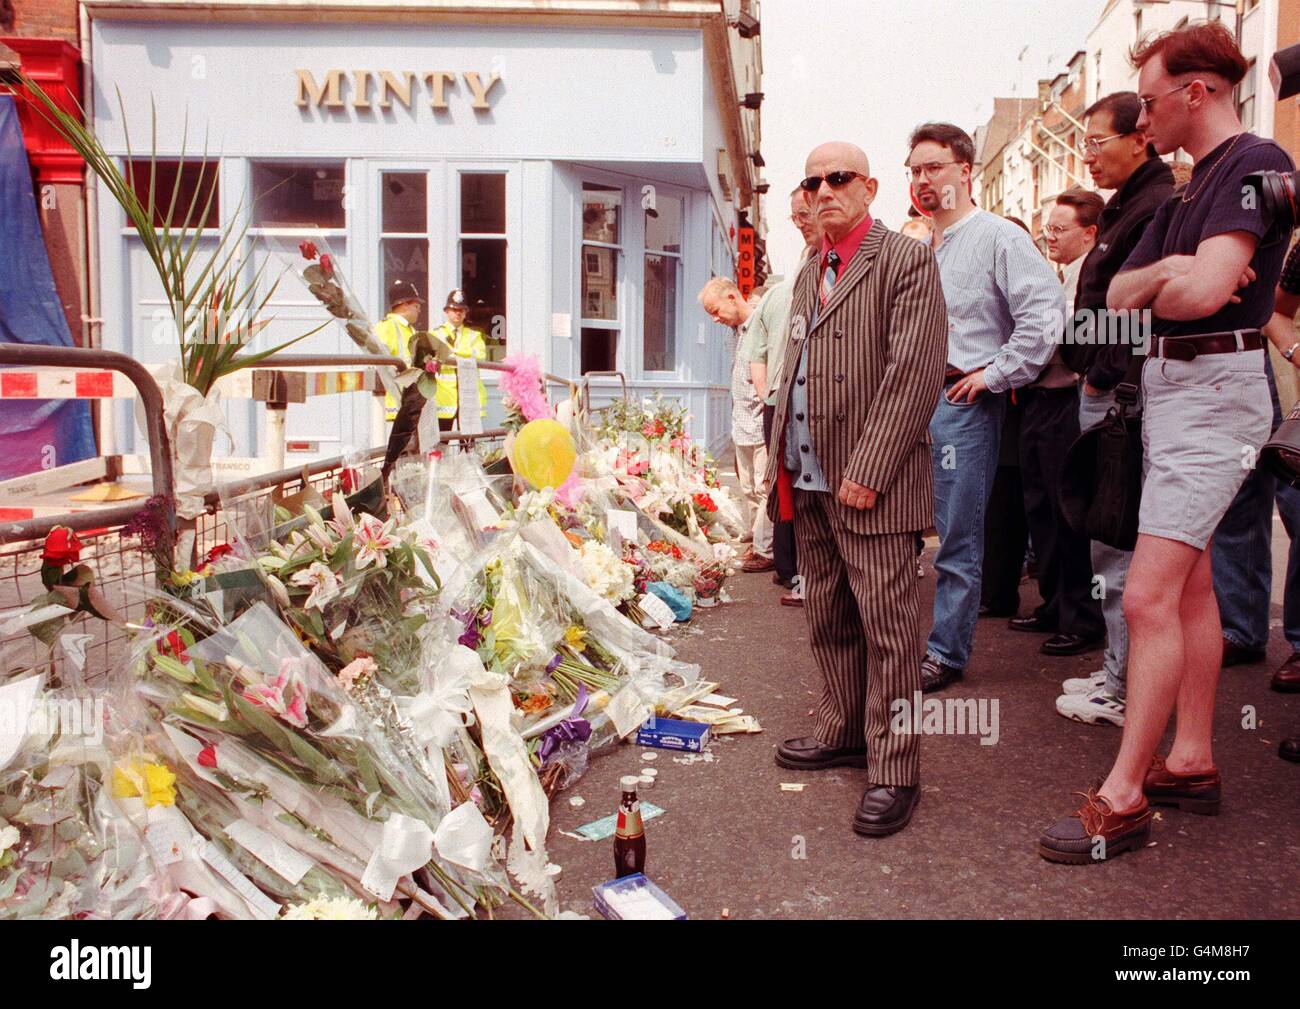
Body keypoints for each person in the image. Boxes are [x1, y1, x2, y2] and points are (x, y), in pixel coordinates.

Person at [1039, 22, 1294, 863]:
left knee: (1147, 596)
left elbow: (1204, 294)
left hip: (1214, 386)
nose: (1141, 120)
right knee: (1188, 590)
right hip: (1179, 387)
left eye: (1148, 103)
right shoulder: (1189, 191)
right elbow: (1121, 293)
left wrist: (1177, 283)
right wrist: (1166, 278)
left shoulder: (1255, 163)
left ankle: (1124, 794)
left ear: (1197, 91)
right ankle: (1190, 757)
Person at [767, 141, 947, 838]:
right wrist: (781, 459)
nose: (823, 191)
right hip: (811, 476)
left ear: (869, 188)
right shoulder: (812, 264)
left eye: (838, 178)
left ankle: (896, 768)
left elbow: (915, 372)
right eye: (812, 180)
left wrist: (869, 470)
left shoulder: (904, 259)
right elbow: (795, 364)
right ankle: (843, 728)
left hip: (870, 480)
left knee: (889, 631)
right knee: (829, 616)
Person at [907, 122, 1062, 694]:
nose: (922, 179)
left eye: (934, 167)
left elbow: (1044, 317)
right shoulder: (918, 247)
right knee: (900, 529)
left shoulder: (999, 237)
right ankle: (900, 644)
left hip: (959, 404)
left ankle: (945, 653)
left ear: (965, 171)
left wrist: (992, 375)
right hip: (907, 403)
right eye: (914, 170)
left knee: (957, 536)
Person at [1055, 91, 1175, 727]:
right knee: (1112, 541)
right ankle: (1119, 671)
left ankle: (1123, 686)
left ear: (1139, 138)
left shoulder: (1152, 204)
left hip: (1119, 395)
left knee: (1117, 539)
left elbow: (1140, 309)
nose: (1088, 155)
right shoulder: (1128, 203)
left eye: (1097, 142)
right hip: (1111, 388)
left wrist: (1103, 376)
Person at [1010, 187, 1106, 657]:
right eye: (1047, 228)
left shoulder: (1094, 279)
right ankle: (1054, 604)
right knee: (1041, 509)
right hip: (1039, 399)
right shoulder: (1062, 276)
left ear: (1090, 233)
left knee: (1068, 512)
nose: (1049, 236)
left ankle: (1082, 618)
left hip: (1068, 397)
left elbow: (1079, 341)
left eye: (1059, 229)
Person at [743, 186, 823, 604]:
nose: (798, 222)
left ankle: (797, 572)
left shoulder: (784, 290)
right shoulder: (786, 290)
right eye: (794, 216)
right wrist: (772, 393)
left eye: (803, 214)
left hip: (798, 400)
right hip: (789, 398)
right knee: (794, 487)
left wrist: (767, 394)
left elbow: (755, 353)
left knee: (794, 486)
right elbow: (757, 352)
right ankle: (800, 574)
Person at [698, 277, 774, 571]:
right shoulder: (734, 332)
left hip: (759, 422)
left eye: (716, 311)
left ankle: (766, 551)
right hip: (741, 423)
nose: (715, 319)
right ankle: (757, 541)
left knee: (764, 489)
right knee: (749, 489)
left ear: (732, 297)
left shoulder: (761, 323)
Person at [431, 289, 487, 431]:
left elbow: (479, 356)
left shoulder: (474, 335)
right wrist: (463, 354)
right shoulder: (436, 334)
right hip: (443, 396)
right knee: (441, 439)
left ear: (466, 312)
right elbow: (433, 357)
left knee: (469, 440)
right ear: (446, 311)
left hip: (468, 396)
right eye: (454, 309)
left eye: (461, 310)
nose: (458, 313)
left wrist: (452, 353)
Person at [373, 279, 423, 422]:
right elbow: (381, 366)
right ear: (404, 305)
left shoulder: (410, 330)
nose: (419, 310)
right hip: (394, 406)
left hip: (411, 402)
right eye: (416, 306)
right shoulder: (386, 327)